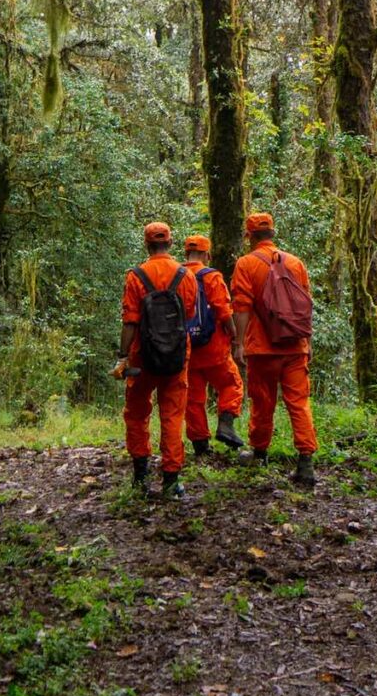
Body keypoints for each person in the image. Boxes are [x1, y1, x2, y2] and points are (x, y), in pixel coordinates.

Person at [230, 211, 318, 487]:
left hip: (262, 348)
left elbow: (241, 307)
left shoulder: (246, 264)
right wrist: (308, 341)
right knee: (299, 403)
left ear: (250, 236)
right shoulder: (295, 263)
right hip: (295, 345)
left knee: (263, 402)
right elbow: (305, 305)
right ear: (272, 233)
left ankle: (259, 453)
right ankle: (305, 462)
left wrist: (239, 342)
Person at [119, 221, 197, 499]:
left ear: (147, 244)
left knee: (137, 414)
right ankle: (171, 482)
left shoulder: (136, 276)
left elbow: (130, 322)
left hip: (142, 357)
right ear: (171, 243)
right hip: (177, 356)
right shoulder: (185, 276)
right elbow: (188, 315)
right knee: (173, 416)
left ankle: (141, 478)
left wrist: (122, 355)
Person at [180, 234, 244, 459]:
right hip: (214, 348)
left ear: (186, 253)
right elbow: (224, 312)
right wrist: (236, 337)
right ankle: (226, 423)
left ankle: (200, 446)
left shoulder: (175, 276)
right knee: (231, 384)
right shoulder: (212, 276)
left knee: (193, 397)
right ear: (207, 254)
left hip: (186, 349)